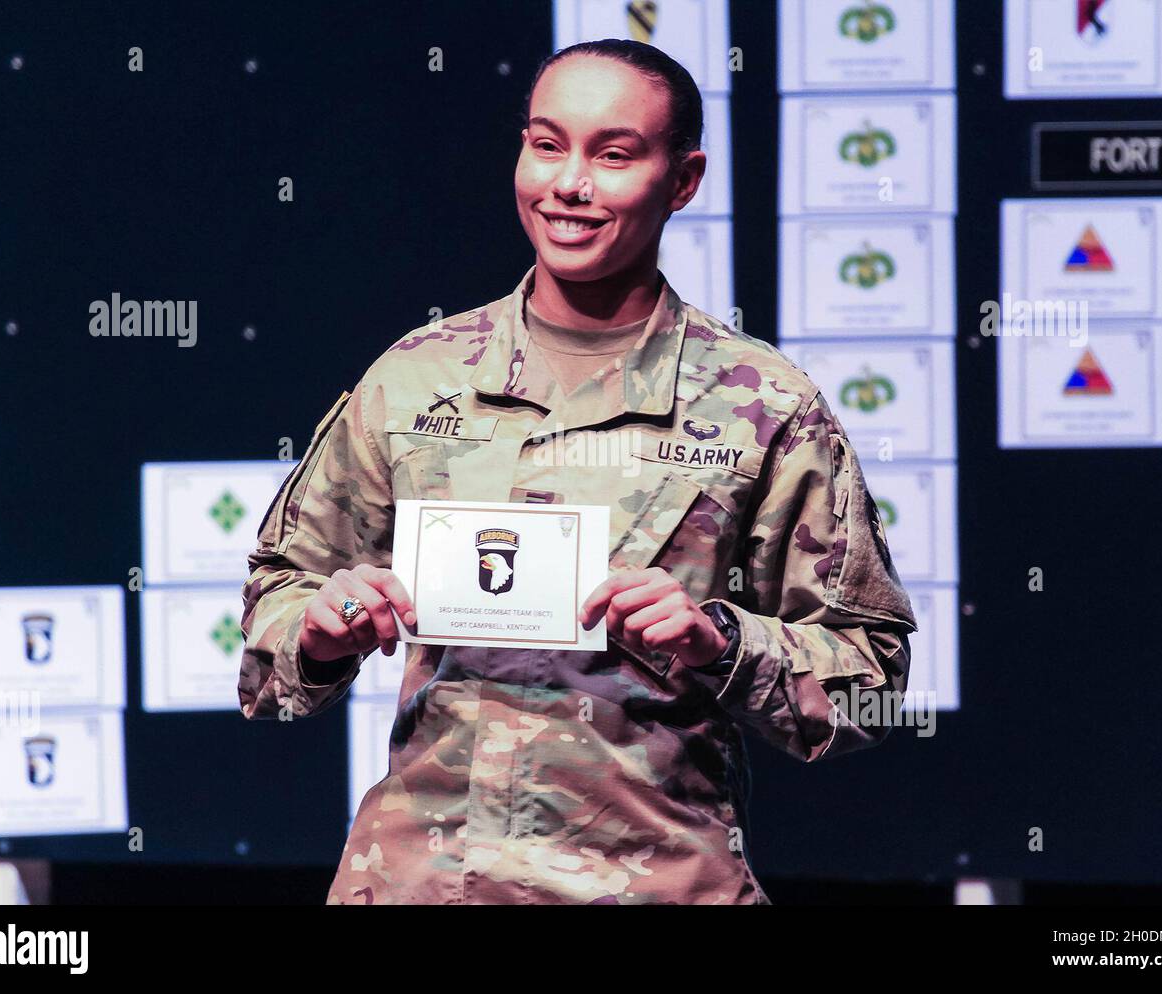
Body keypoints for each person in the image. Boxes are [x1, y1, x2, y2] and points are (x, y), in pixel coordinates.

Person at [238, 38, 917, 905]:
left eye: (614, 153)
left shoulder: (764, 405)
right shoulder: (416, 377)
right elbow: (275, 615)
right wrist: (320, 632)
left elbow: (873, 687)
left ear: (684, 179)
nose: (568, 184)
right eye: (547, 143)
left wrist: (722, 641)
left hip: (659, 887)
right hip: (419, 883)